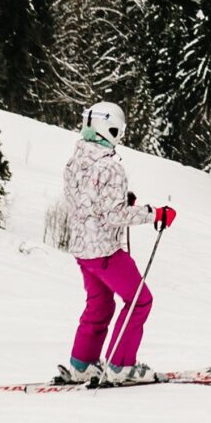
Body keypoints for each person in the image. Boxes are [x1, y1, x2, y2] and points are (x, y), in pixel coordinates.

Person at [63, 102, 172, 385]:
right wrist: (154, 213)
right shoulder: (110, 167)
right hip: (105, 250)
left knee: (99, 304)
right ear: (108, 127)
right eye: (118, 129)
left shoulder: (76, 161)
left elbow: (86, 201)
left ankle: (83, 363)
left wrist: (122, 201)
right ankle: (120, 364)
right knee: (139, 301)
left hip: (83, 249)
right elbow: (114, 216)